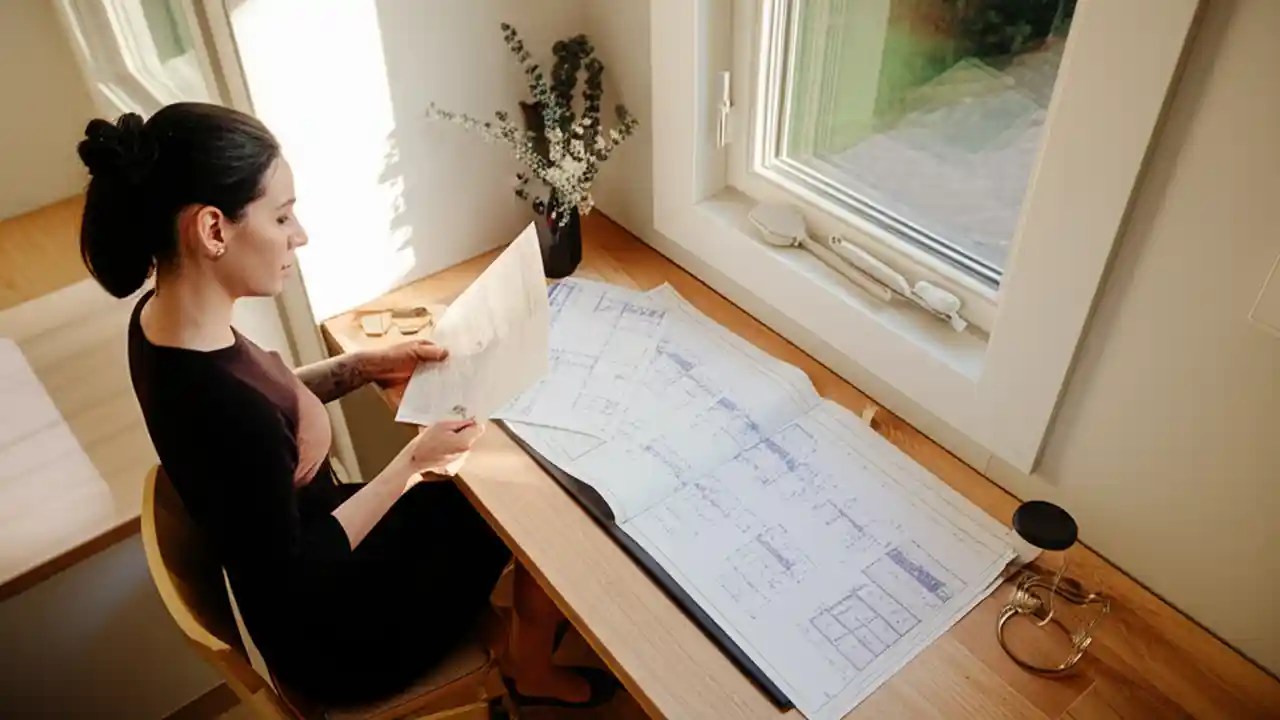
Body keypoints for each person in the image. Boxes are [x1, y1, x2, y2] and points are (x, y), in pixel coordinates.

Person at [77, 103, 613, 708]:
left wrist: (360, 367)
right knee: (517, 503)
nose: (298, 236)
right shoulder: (225, 411)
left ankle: (524, 647)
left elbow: (259, 401)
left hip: (309, 552)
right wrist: (411, 463)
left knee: (487, 493)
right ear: (212, 230)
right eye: (281, 217)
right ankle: (529, 669)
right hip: (342, 640)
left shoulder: (163, 324)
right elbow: (299, 573)